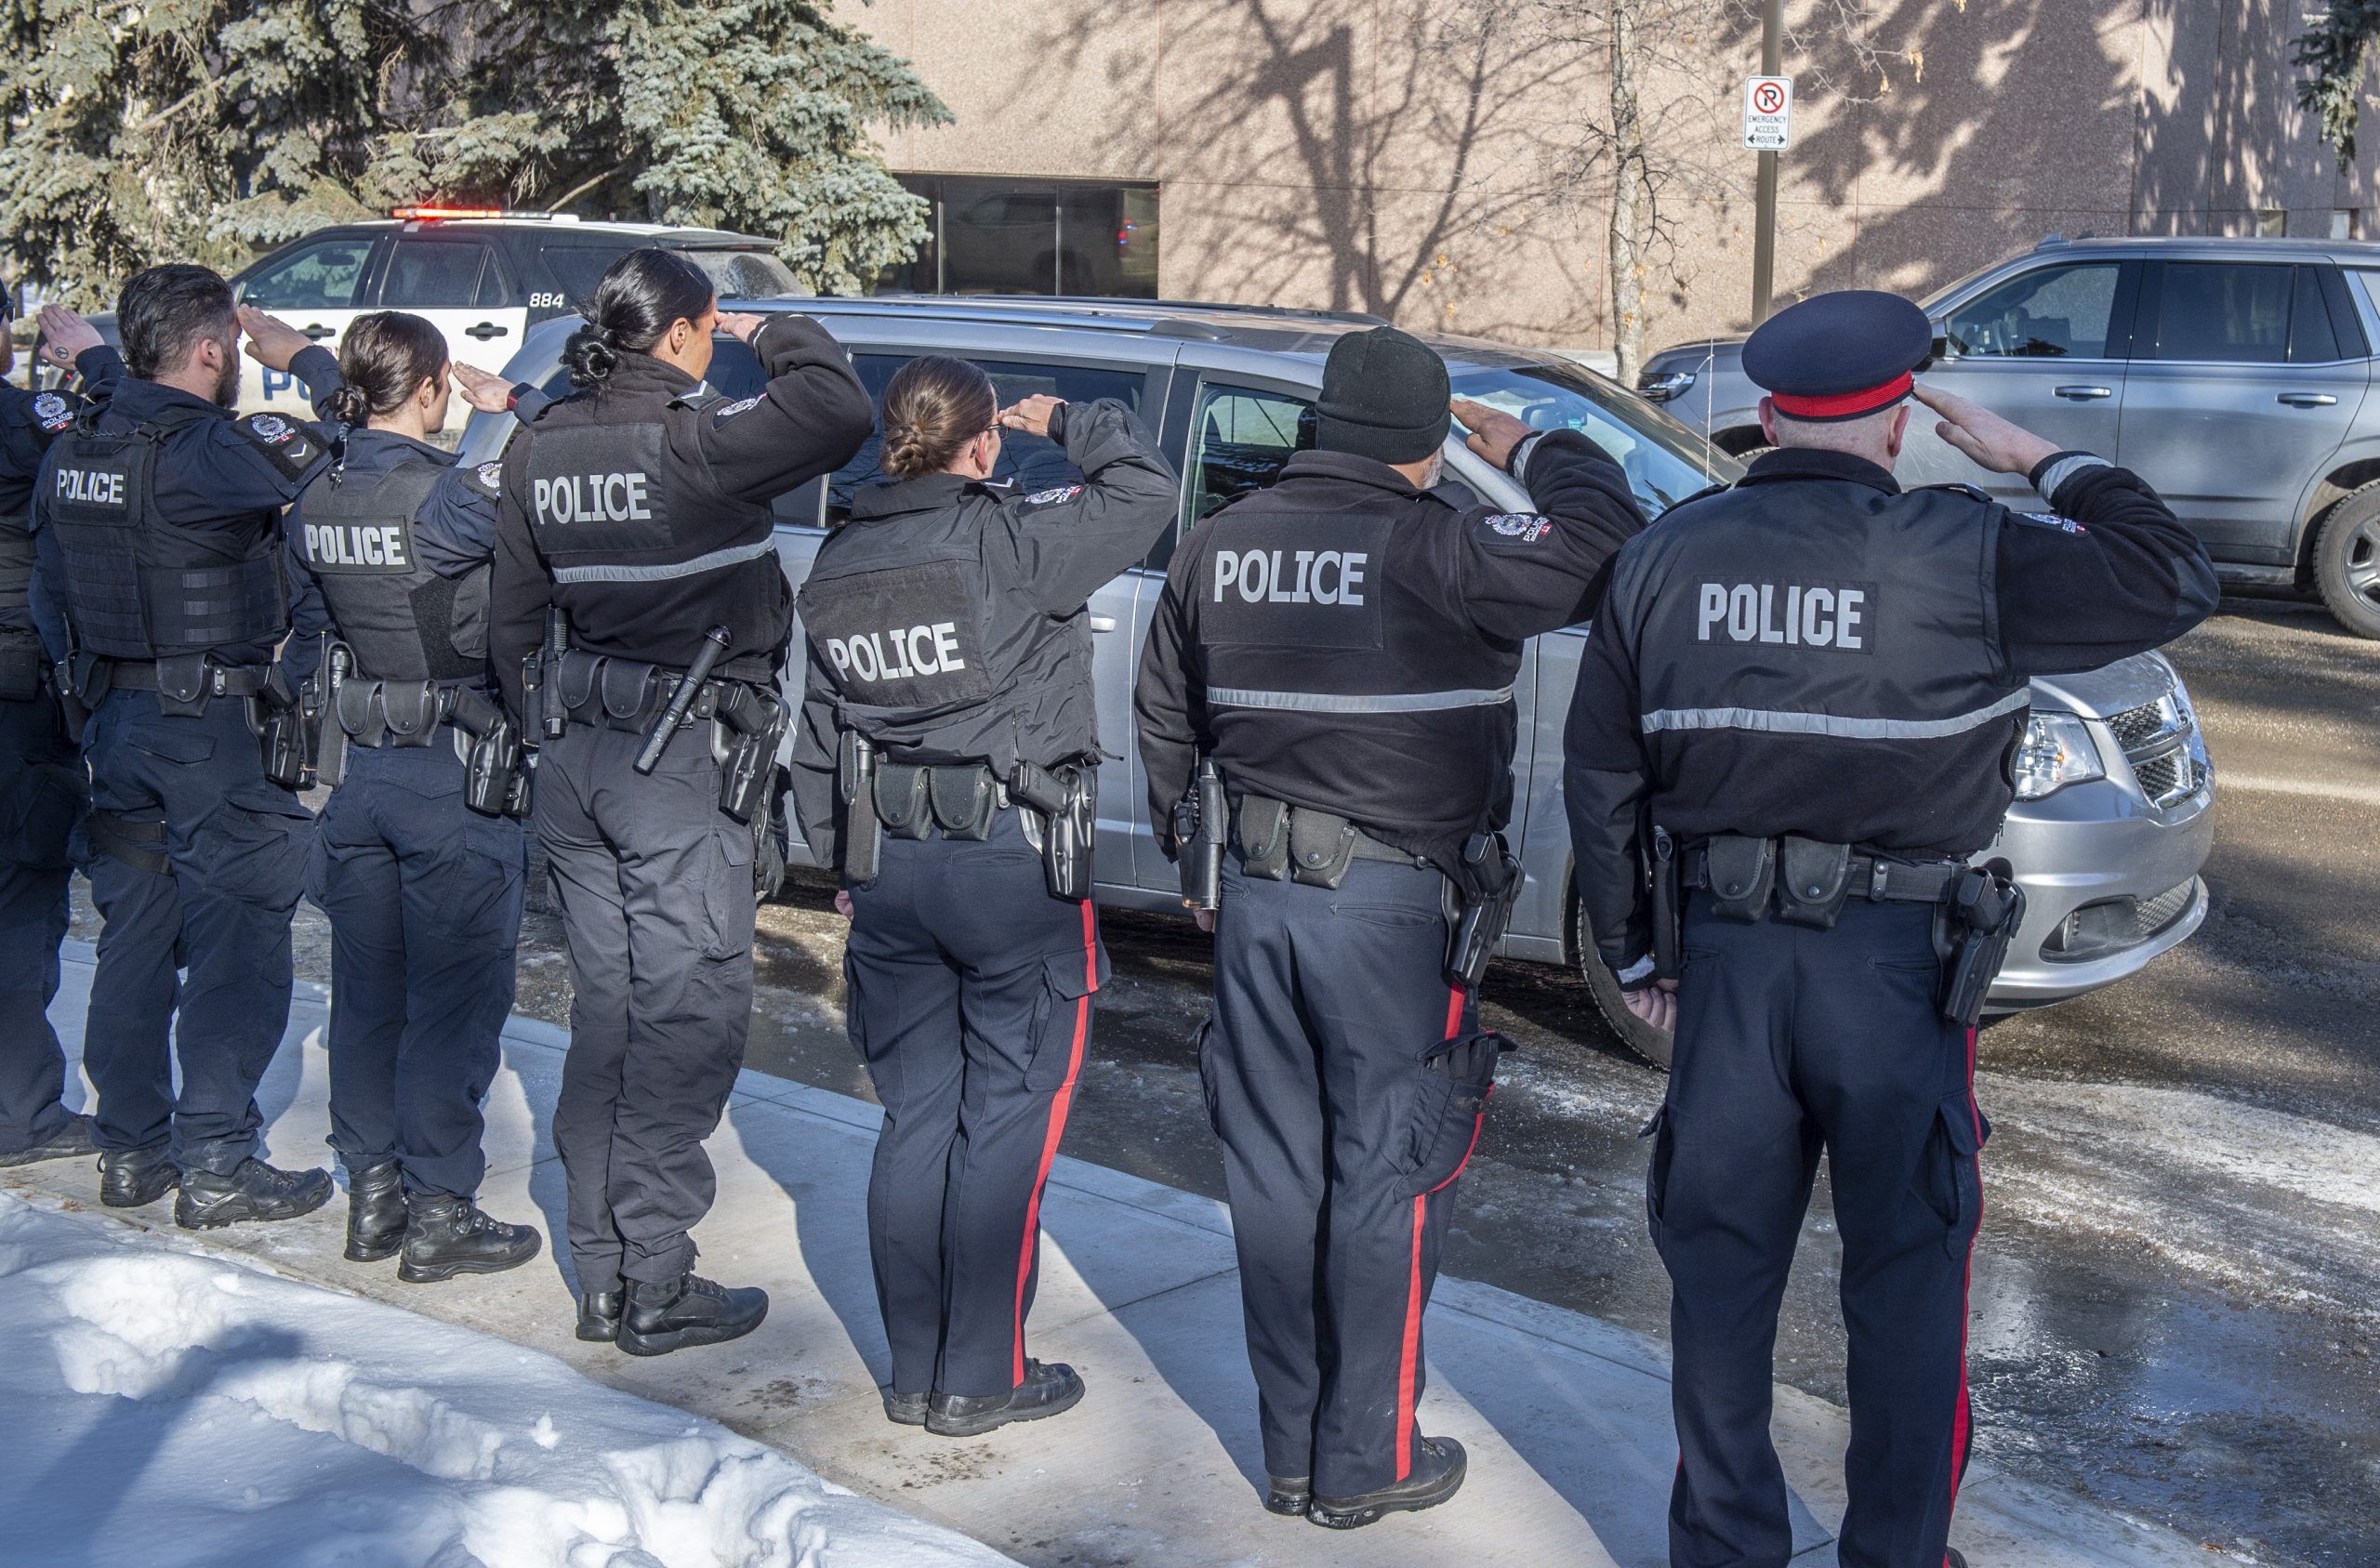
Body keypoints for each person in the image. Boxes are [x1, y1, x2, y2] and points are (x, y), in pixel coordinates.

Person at [1563, 290, 2218, 1568]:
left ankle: (1726, 1544)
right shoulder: (1966, 547)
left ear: (1765, 414)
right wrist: (2039, 456)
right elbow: (2171, 572)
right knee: (1908, 1287)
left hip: (1725, 967)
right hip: (1897, 975)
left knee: (1720, 1277)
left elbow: (1600, 777)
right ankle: (1898, 1551)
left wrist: (1638, 947)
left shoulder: (1666, 549)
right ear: (1901, 413)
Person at [1133, 325, 1649, 1528]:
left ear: (1322, 424)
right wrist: (1538, 441)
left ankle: (1295, 1453)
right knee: (1389, 1171)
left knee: (1272, 1176)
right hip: (1390, 915)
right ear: (1425, 446)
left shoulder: (1220, 545)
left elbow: (1164, 710)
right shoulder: (1442, 548)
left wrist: (1190, 851)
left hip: (1255, 902)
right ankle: (1365, 1455)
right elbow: (1606, 544)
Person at [488, 248, 871, 1357]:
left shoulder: (538, 445)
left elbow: (512, 626)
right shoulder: (698, 445)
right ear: (680, 337)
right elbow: (835, 406)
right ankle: (656, 1278)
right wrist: (776, 330)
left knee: (607, 1016)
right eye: (705, 331)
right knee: (686, 1017)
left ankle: (601, 1272)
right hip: (674, 768)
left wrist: (544, 735)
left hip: (575, 757)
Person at [787, 356, 1176, 1437]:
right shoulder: (1007, 540)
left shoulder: (840, 555)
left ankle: (916, 1369)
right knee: (1006, 1116)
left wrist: (838, 873)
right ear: (982, 443)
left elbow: (818, 736)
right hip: (1010, 860)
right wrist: (1074, 418)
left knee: (916, 1116)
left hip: (889, 870)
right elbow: (1146, 494)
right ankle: (979, 1376)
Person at [29, 268, 350, 1226]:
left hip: (116, 728)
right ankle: (215, 1160)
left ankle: (132, 1147)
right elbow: (342, 439)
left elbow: (51, 594)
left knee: (133, 936)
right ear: (211, 349)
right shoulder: (211, 449)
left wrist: (87, 704)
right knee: (239, 940)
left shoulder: (76, 443)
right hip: (207, 733)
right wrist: (302, 358)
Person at [279, 310, 548, 1283]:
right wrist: (513, 402)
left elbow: (308, 629)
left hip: (360, 778)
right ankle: (439, 1208)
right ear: (433, 386)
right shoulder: (445, 500)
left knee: (367, 995)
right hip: (453, 774)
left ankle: (374, 1194)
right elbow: (550, 478)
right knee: (453, 1001)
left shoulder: (318, 491)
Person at [0, 300, 124, 1169]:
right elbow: (126, 443)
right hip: (15, 696)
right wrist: (96, 363)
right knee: (17, 901)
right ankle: (19, 1112)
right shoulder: (27, 420)